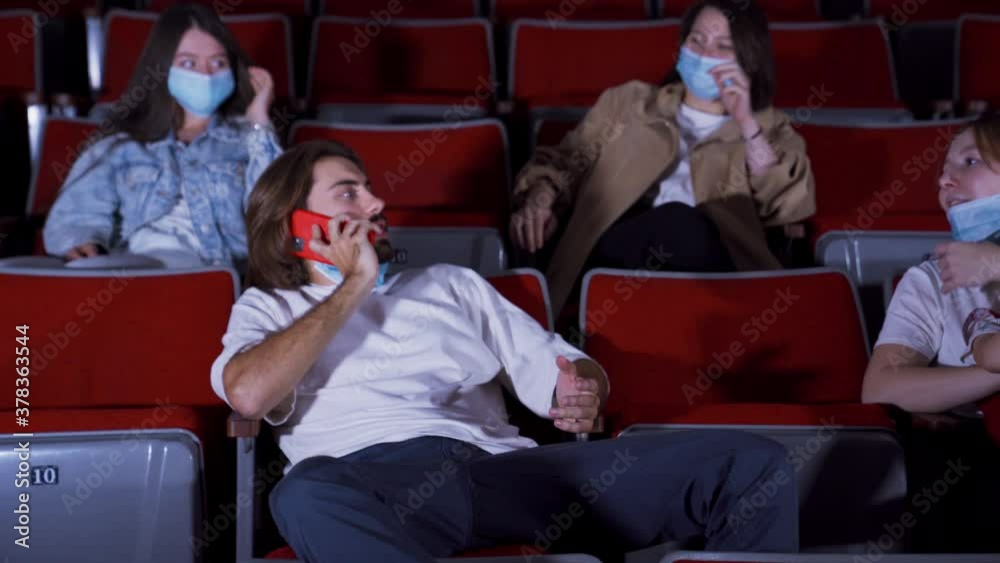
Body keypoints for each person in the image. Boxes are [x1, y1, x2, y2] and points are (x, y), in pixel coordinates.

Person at [209, 140, 798, 563]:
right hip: (374, 487)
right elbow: (249, 393)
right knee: (303, 493)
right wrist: (353, 285)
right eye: (349, 192)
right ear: (298, 226)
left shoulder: (450, 283)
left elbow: (562, 368)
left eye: (369, 187)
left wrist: (585, 389)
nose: (375, 202)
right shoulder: (270, 309)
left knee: (750, 465)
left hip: (505, 471)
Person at [510, 0, 815, 314]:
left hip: (719, 264)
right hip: (617, 244)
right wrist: (542, 193)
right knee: (676, 223)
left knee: (683, 225)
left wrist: (746, 123)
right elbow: (566, 159)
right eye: (696, 40)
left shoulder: (768, 127)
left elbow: (786, 208)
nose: (704, 54)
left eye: (722, 46)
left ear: (747, 59)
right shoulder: (629, 102)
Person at [42, 3, 281, 271]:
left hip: (221, 278)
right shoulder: (121, 146)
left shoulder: (249, 142)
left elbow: (275, 213)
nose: (206, 74)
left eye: (218, 62)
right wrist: (83, 242)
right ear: (163, 67)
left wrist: (259, 121)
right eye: (188, 63)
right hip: (136, 277)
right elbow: (76, 216)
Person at [863, 114, 1000, 413]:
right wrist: (991, 374)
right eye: (943, 170)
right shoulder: (934, 280)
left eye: (971, 162)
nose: (943, 180)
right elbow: (881, 389)